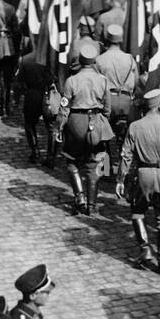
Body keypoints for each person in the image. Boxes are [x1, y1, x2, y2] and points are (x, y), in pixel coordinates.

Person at [117, 88, 160, 271]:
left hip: (142, 175)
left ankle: (145, 250)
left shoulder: (135, 126)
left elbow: (126, 155)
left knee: (137, 212)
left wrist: (120, 179)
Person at [55, 40, 113, 216]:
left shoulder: (71, 81)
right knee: (95, 162)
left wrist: (59, 127)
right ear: (94, 62)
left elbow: (64, 108)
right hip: (96, 121)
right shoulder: (102, 81)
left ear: (80, 61)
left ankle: (79, 197)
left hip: (75, 122)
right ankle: (92, 204)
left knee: (72, 161)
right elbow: (107, 109)